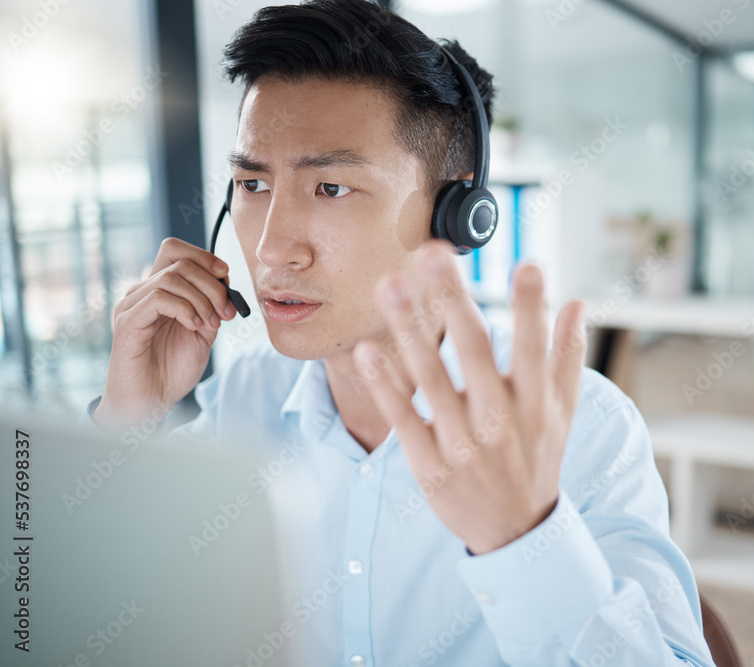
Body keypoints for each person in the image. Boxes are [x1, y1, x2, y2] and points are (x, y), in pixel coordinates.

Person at [80, 1, 716, 665]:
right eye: (252, 182)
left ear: (459, 213)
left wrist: (524, 540)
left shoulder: (587, 427)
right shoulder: (241, 400)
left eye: (330, 187)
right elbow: (94, 618)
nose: (270, 250)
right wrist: (127, 422)